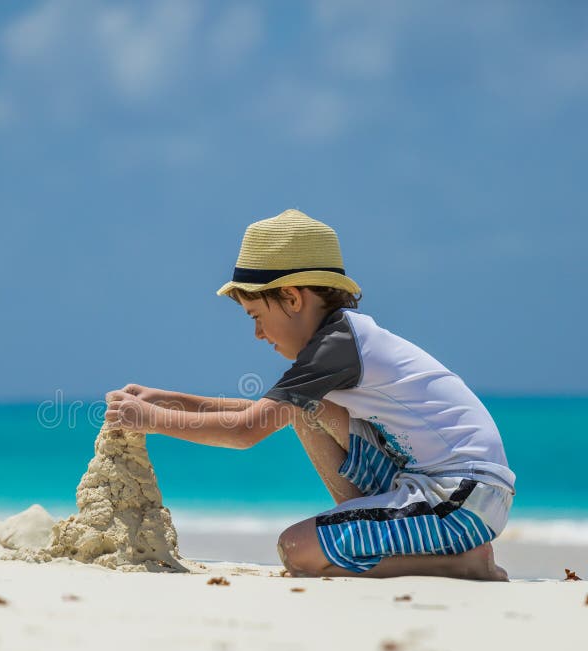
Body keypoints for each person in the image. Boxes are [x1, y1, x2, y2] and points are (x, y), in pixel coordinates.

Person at [105, 209, 514, 580]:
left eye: (256, 316)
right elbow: (267, 413)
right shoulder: (342, 339)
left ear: (292, 297)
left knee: (298, 550)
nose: (258, 334)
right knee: (306, 410)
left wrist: (150, 419)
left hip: (461, 495)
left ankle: (460, 563)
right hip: (447, 486)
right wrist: (166, 400)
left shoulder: (335, 348)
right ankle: (357, 523)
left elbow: (246, 431)